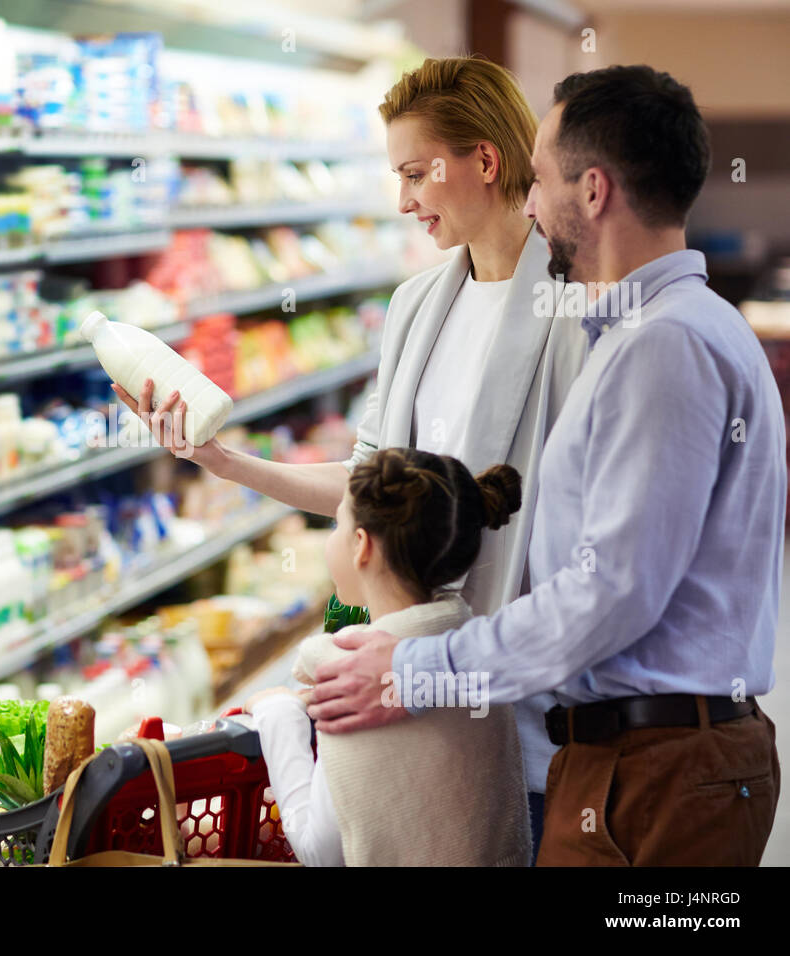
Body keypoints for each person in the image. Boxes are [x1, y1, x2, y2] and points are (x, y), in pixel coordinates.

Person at [305, 65, 784, 866]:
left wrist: (420, 666)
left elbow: (613, 591)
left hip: (659, 773)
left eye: (545, 179)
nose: (529, 202)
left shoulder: (661, 347)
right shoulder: (655, 332)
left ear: (593, 191)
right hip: (635, 761)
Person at [112, 56, 585, 857]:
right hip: (396, 694)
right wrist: (224, 462)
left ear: (486, 160)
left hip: (523, 717)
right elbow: (369, 491)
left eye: (415, 174)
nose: (402, 202)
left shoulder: (576, 312)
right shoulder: (416, 308)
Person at [244, 448, 531, 866]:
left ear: (361, 546)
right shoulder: (472, 653)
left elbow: (321, 852)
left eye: (336, 523)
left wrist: (278, 713)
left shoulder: (354, 679)